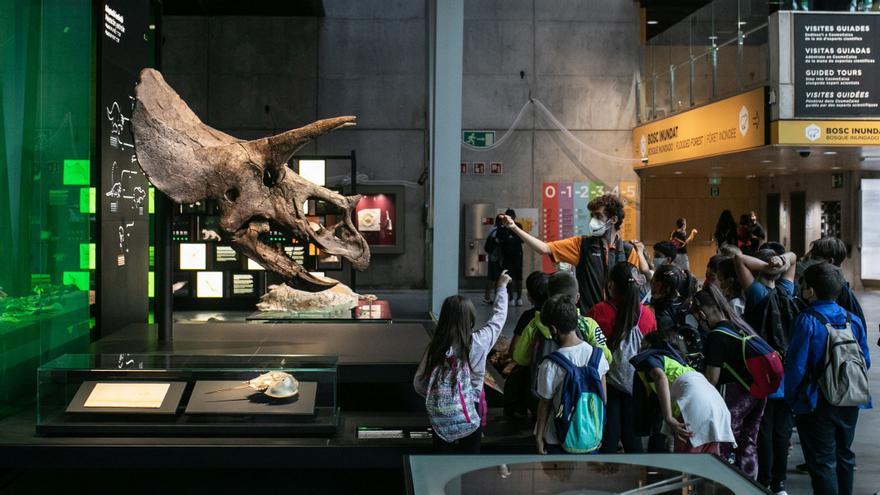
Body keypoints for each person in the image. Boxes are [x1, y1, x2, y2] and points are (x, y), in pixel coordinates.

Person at [785, 262, 871, 495]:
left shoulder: (807, 320)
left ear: (810, 290)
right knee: (844, 454)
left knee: (822, 461)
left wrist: (792, 399)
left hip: (816, 401)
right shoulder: (852, 319)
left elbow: (796, 367)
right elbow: (866, 360)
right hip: (850, 398)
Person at [414, 271, 511, 453]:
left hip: (440, 413)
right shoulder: (480, 341)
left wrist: (438, 397)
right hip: (469, 406)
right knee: (469, 458)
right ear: (471, 319)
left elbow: (419, 382)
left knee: (442, 458)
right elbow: (499, 318)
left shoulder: (436, 346)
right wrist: (502, 287)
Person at [500, 194, 641, 313]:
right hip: (589, 320)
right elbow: (544, 248)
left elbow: (632, 291)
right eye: (592, 216)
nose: (593, 221)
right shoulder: (582, 245)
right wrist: (514, 228)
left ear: (614, 220)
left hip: (616, 322)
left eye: (598, 216)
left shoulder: (628, 251)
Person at [735, 248, 798, 495]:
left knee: (763, 429)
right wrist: (782, 261)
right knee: (782, 431)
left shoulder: (757, 294)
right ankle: (780, 483)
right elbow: (794, 258)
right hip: (787, 374)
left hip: (763, 372)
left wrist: (766, 265)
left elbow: (739, 258)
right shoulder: (786, 291)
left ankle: (765, 479)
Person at [694, 284, 767, 479]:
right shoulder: (739, 325)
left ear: (701, 313)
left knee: (726, 443)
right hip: (757, 392)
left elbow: (712, 378)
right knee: (749, 441)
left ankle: (727, 485)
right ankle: (749, 485)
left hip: (734, 395)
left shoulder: (716, 336)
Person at [630, 331, 735, 454]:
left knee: (686, 464)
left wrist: (668, 418)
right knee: (710, 464)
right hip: (717, 405)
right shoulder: (678, 363)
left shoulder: (649, 357)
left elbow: (660, 377)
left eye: (642, 343)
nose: (639, 347)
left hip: (696, 405)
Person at [589, 262, 657, 453]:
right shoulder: (647, 316)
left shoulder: (598, 311)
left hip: (606, 383)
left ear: (611, 286)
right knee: (632, 437)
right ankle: (639, 475)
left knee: (608, 434)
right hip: (636, 384)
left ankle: (606, 473)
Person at [534, 294, 609, 454]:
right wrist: (599, 431)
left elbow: (544, 405)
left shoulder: (550, 364)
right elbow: (603, 399)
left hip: (558, 439)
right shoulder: (598, 356)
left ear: (553, 329)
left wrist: (539, 436)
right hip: (592, 437)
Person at [511, 271, 612, 373]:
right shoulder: (589, 324)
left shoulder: (535, 324)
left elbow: (519, 357)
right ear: (577, 298)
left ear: (549, 297)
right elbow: (606, 357)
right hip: (580, 386)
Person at [505, 271, 550, 417]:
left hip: (531, 376)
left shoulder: (528, 318)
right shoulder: (560, 314)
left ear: (530, 296)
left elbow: (514, 352)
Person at [500, 209, 525, 306]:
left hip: (517, 255)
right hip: (507, 257)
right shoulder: (503, 228)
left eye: (512, 216)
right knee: (509, 277)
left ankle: (519, 297)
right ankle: (511, 297)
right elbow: (501, 241)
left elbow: (521, 239)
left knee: (519, 278)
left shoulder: (518, 226)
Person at [483, 215, 505, 304]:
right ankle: (492, 298)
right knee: (495, 279)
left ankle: (487, 298)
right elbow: (499, 245)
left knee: (491, 278)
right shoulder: (498, 231)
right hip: (496, 258)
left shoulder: (492, 230)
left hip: (492, 257)